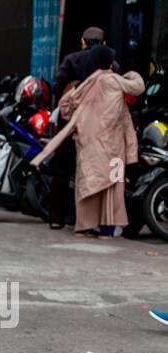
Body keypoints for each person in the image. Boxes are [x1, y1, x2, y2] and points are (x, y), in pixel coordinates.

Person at [56, 45, 143, 238]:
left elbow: (64, 106)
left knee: (88, 183)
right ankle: (107, 229)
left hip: (89, 144)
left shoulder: (87, 83)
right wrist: (132, 74)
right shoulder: (115, 80)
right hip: (114, 146)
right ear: (109, 62)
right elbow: (138, 87)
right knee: (113, 188)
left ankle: (85, 226)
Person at [48, 27, 118, 229]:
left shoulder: (71, 60)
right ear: (103, 44)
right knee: (91, 173)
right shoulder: (111, 64)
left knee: (62, 171)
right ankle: (88, 221)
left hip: (71, 124)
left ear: (83, 41)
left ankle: (56, 218)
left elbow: (57, 86)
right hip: (98, 126)